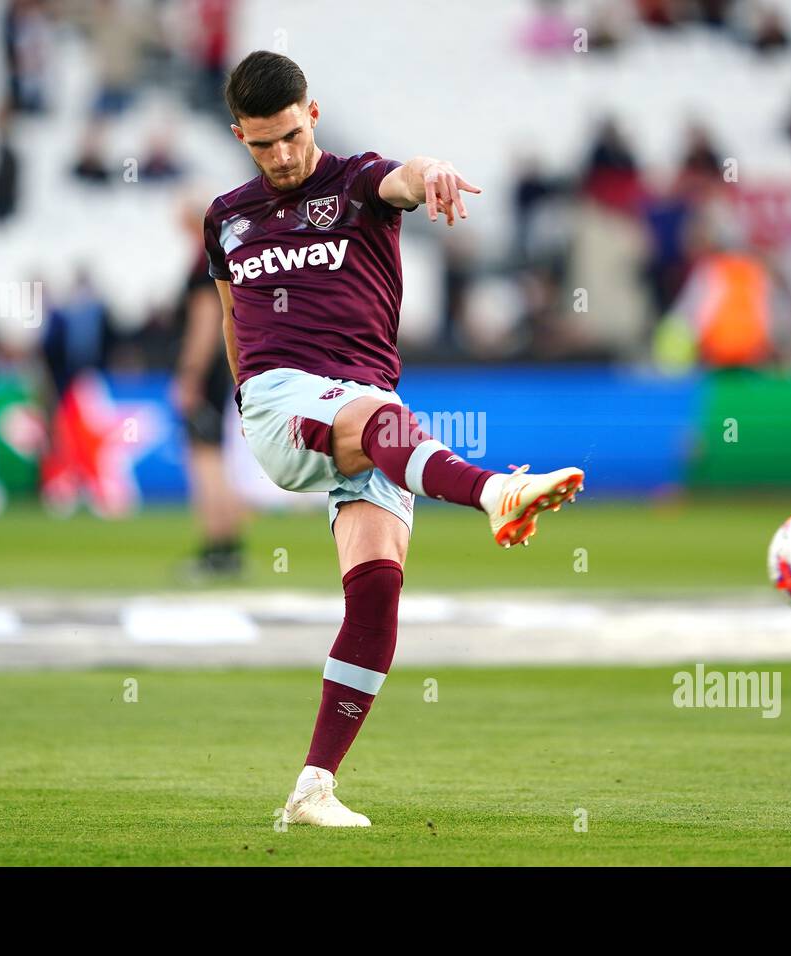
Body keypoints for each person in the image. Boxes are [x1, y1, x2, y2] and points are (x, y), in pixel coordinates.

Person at [205, 51, 585, 828]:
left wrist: (434, 169)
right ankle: (494, 491)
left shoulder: (355, 182)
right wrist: (251, 400)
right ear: (238, 133)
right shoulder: (226, 217)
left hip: (371, 411)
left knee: (377, 591)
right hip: (285, 405)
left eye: (288, 137)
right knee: (382, 426)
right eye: (260, 144)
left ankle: (313, 786)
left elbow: (403, 178)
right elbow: (228, 317)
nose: (279, 157)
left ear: (312, 114)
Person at [172, 204, 246, 576]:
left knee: (205, 459)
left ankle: (219, 546)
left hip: (208, 371)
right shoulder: (220, 256)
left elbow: (205, 321)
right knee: (214, 456)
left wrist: (190, 374)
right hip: (221, 369)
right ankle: (228, 547)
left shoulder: (203, 261)